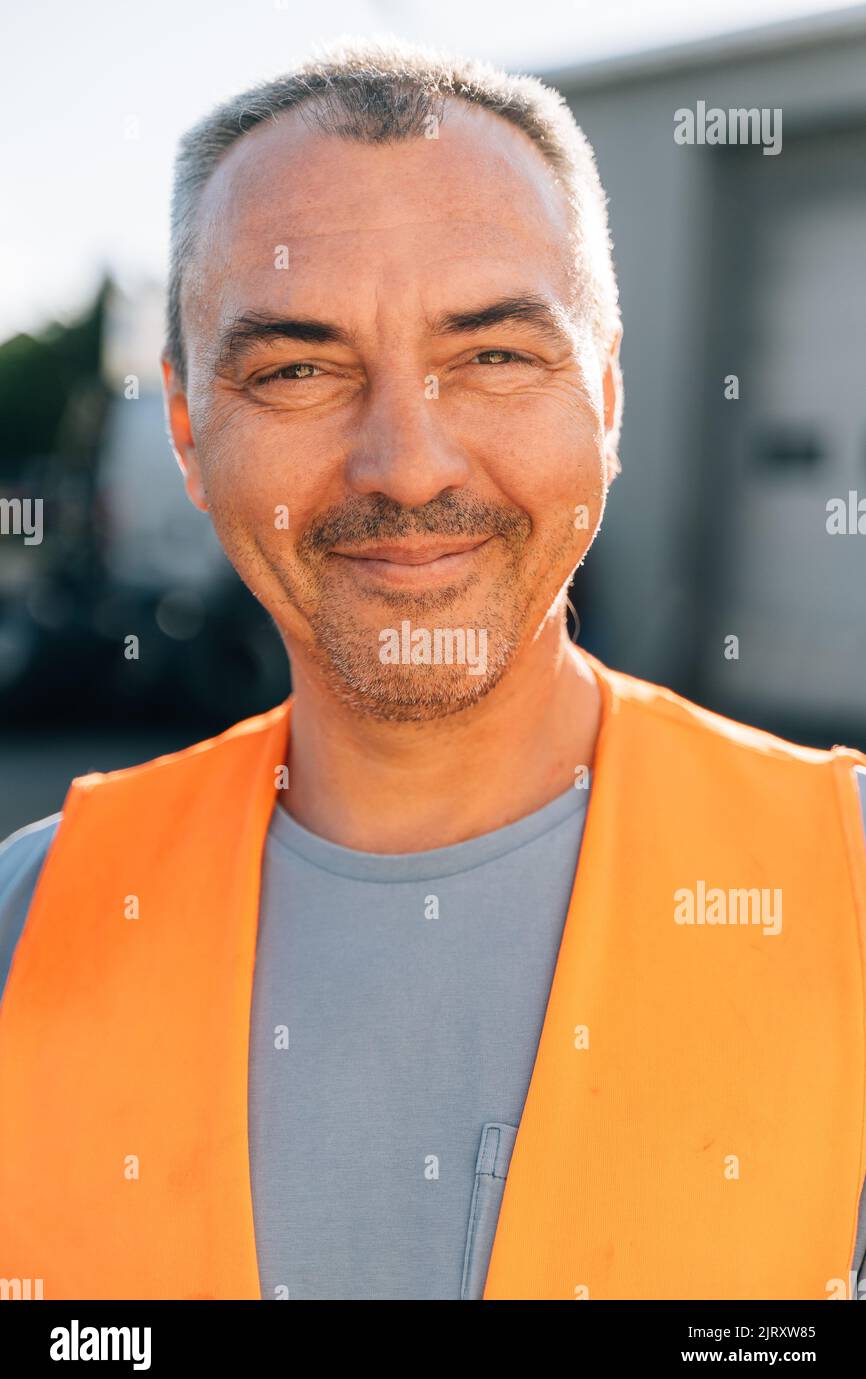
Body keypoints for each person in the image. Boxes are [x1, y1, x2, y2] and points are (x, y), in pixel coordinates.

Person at [1, 39, 865, 1302]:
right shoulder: (29, 919)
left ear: (606, 393)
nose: (406, 466)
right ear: (188, 431)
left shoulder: (841, 880)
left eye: (495, 355)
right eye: (298, 368)